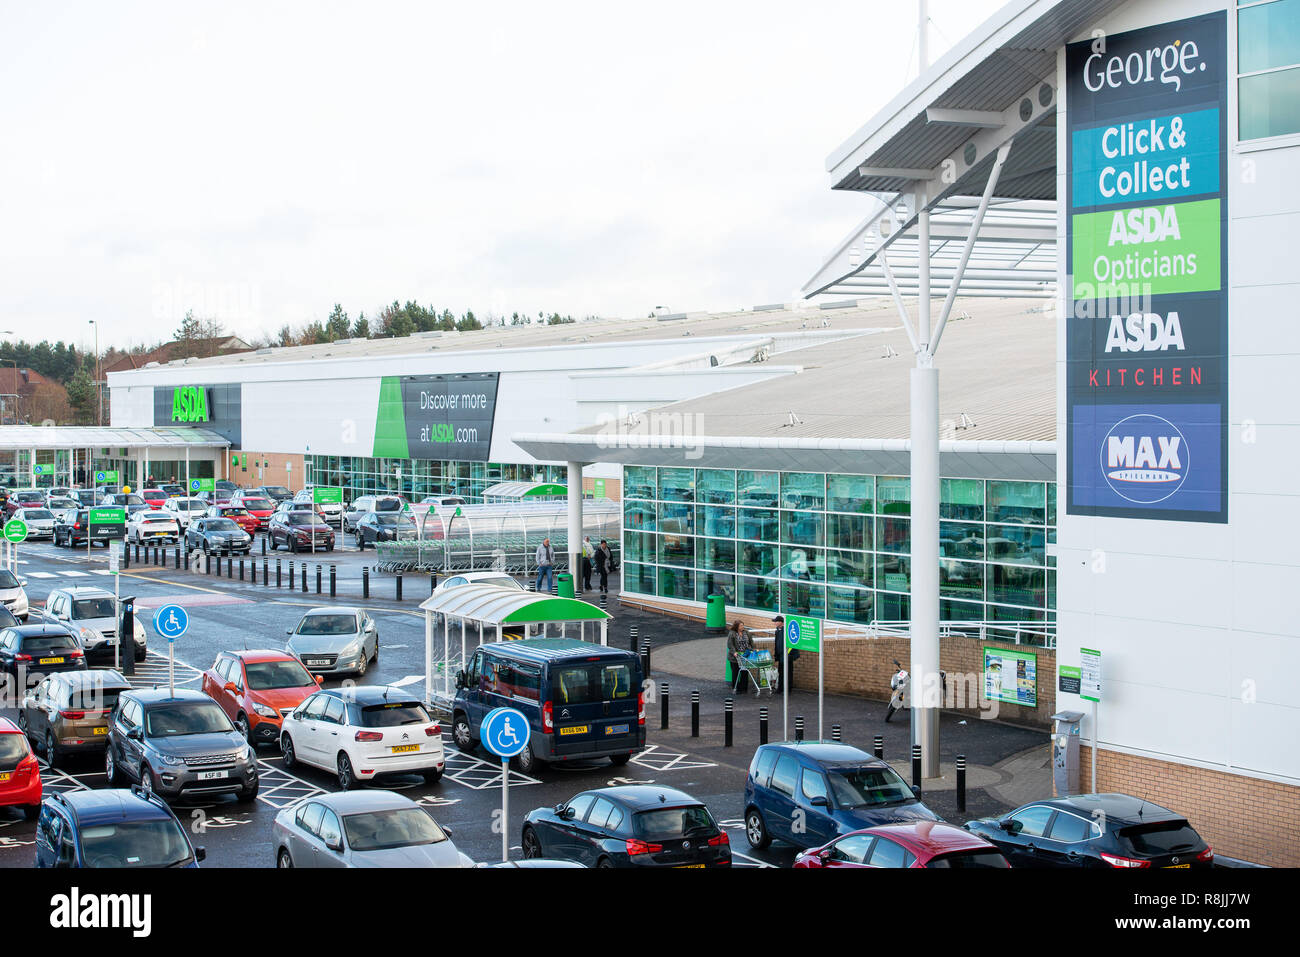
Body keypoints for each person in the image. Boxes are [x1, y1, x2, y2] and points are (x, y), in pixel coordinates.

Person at [727, 620, 754, 693]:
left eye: (743, 625)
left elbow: (751, 642)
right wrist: (734, 652)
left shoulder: (746, 632)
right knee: (735, 672)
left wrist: (752, 649)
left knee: (745, 672)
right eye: (741, 625)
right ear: (737, 627)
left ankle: (744, 688)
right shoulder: (732, 633)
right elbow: (730, 644)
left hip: (745, 656)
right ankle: (735, 687)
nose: (743, 627)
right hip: (735, 657)